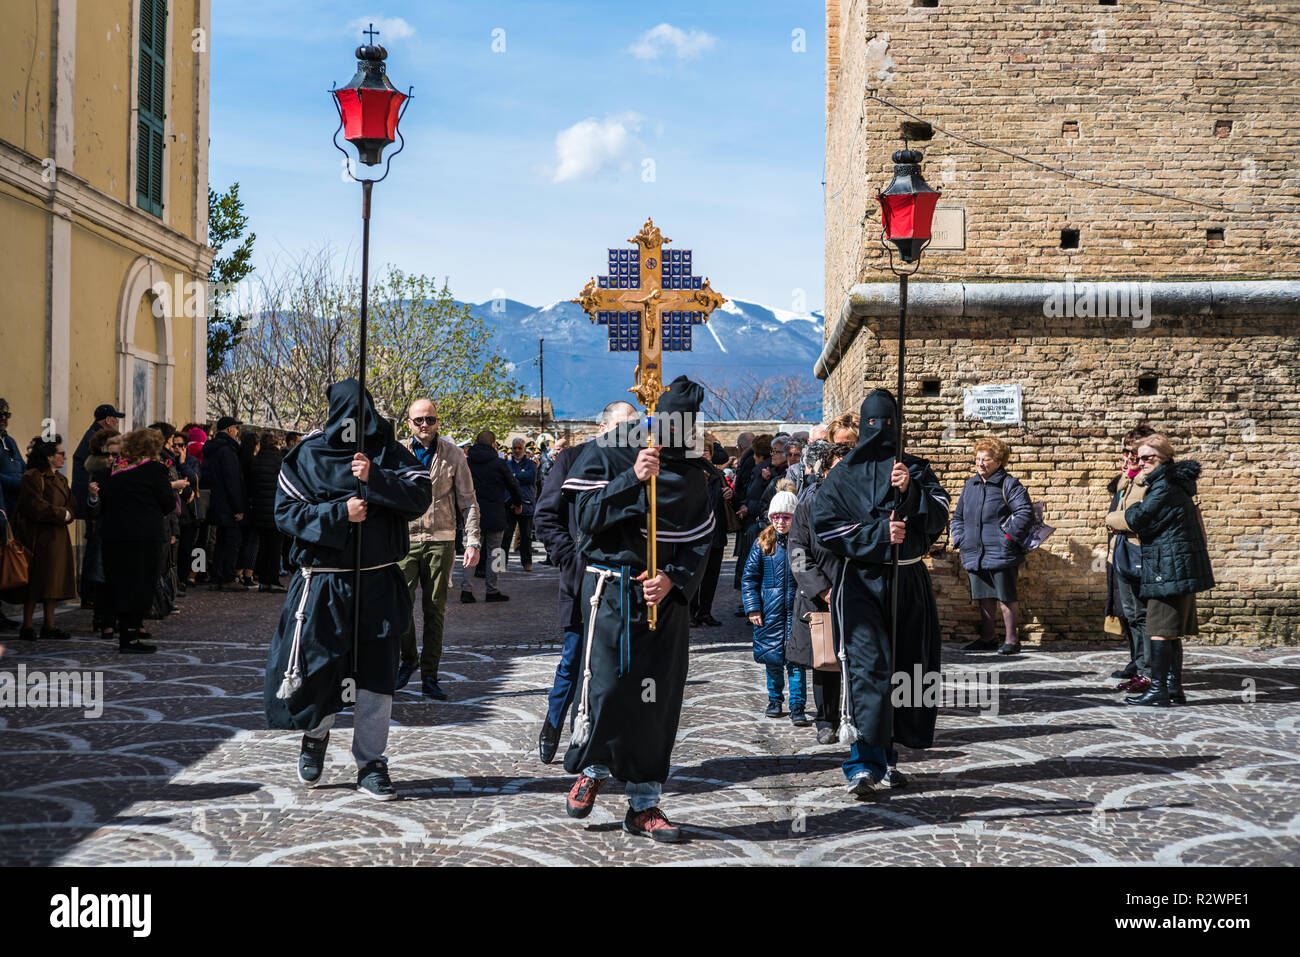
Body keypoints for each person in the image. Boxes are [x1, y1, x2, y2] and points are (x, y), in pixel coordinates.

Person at [561, 376, 714, 843]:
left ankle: (644, 803)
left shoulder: (693, 472)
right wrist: (633, 479)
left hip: (662, 602)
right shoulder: (609, 452)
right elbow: (585, 521)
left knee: (656, 700)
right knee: (608, 688)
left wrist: (673, 580)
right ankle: (593, 766)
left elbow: (702, 542)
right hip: (610, 591)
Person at [264, 379, 432, 799]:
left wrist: (375, 478)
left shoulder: (389, 453)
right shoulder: (307, 454)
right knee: (320, 669)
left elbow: (419, 495)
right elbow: (286, 514)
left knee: (376, 676)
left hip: (377, 580)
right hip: (323, 584)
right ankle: (315, 737)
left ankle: (371, 763)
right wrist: (340, 513)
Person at [812, 389, 949, 799]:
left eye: (888, 423)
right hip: (863, 586)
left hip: (909, 582)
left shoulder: (916, 469)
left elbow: (941, 515)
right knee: (868, 670)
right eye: (874, 423)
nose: (881, 431)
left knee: (908, 669)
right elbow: (826, 527)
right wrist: (877, 534)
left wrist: (910, 492)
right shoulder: (843, 475)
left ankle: (890, 758)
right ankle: (862, 763)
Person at [534, 400, 638, 763]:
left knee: (614, 667)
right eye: (622, 427)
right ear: (602, 429)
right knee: (574, 658)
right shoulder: (572, 459)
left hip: (625, 584)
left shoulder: (641, 462)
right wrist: (570, 559)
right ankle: (553, 722)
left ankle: (597, 743)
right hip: (582, 580)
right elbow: (546, 517)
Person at [1108, 433, 1214, 707]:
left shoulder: (1164, 485)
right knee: (1168, 631)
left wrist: (1116, 519)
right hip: (1173, 564)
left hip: (1168, 567)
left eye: (1147, 458)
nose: (1141, 462)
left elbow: (1139, 517)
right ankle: (1173, 688)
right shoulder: (1170, 482)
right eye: (1139, 457)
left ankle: (1158, 690)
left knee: (1158, 629)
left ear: (1164, 458)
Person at [398, 398, 482, 701]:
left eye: (430, 419)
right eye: (419, 420)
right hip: (404, 541)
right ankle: (408, 658)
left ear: (437, 422)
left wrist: (472, 540)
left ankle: (430, 676)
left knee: (434, 610)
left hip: (441, 539)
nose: (424, 425)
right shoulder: (397, 453)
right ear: (408, 423)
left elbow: (468, 500)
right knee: (400, 607)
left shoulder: (454, 455)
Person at [96, 428, 177, 653]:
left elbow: (105, 498)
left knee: (121, 583)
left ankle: (125, 635)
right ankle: (131, 634)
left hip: (114, 535)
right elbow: (168, 503)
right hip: (144, 536)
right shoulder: (155, 470)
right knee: (142, 583)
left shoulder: (117, 470)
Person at [950, 437, 1033, 655]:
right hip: (974, 550)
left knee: (1006, 597)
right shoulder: (971, 485)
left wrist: (1006, 537)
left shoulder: (1009, 484)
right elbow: (958, 517)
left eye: (985, 460)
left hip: (1001, 550)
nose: (980, 464)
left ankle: (1012, 640)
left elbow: (1025, 513)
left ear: (998, 461)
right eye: (977, 459)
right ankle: (987, 638)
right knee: (983, 597)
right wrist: (960, 538)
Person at [789, 439, 846, 743]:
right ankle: (826, 719)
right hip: (820, 596)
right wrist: (822, 589)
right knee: (825, 660)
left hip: (856, 592)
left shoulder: (860, 501)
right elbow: (797, 550)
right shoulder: (809, 503)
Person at [743, 489, 808, 725]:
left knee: (796, 662)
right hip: (769, 613)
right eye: (776, 517)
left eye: (786, 517)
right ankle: (774, 699)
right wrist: (753, 607)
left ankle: (798, 704)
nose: (780, 522)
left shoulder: (800, 545)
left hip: (796, 611)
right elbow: (750, 578)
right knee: (772, 660)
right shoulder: (763, 544)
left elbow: (805, 576)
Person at [1105, 425, 1155, 692]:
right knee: (1130, 614)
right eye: (1124, 450)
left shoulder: (1149, 481)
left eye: (1131, 452)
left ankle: (1149, 670)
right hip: (1121, 552)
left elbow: (1137, 517)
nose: (1126, 457)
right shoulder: (1126, 479)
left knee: (1142, 615)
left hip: (1139, 553)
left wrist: (1113, 521)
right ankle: (1137, 663)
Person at [15, 437, 77, 640]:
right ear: (49, 456)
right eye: (60, 453)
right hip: (38, 536)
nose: (64, 457)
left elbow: (70, 502)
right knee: (34, 582)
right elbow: (34, 505)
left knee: (54, 582)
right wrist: (60, 514)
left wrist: (67, 513)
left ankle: (50, 625)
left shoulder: (61, 479)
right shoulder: (33, 477)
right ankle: (28, 624)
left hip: (58, 537)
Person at [456, 430, 522, 603]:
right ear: (494, 444)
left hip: (472, 513)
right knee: (495, 552)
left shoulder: (467, 462)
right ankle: (492, 590)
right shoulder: (499, 463)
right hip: (495, 513)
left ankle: (466, 590)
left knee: (471, 550)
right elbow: (513, 485)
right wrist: (517, 503)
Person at [201, 416, 248, 591]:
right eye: (236, 428)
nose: (237, 432)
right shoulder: (227, 450)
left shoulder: (213, 448)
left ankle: (217, 576)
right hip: (228, 504)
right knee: (231, 541)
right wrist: (239, 507)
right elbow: (232, 480)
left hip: (217, 501)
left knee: (220, 541)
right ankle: (227, 576)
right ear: (229, 429)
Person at [690, 440, 732, 628]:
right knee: (693, 576)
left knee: (711, 576)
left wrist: (731, 494)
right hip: (693, 534)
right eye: (699, 450)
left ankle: (705, 612)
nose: (703, 453)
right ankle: (691, 613)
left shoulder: (718, 475)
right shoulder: (688, 474)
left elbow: (731, 501)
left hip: (716, 532)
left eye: (706, 450)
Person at [84, 430, 121, 637]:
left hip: (124, 532)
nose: (111, 459)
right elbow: (92, 510)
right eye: (108, 454)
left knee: (119, 579)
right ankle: (104, 620)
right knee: (102, 579)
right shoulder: (99, 475)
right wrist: (94, 498)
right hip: (104, 532)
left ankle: (114, 618)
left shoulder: (128, 474)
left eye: (115, 455)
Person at [248, 431, 287, 593]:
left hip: (258, 509)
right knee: (275, 547)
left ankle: (263, 580)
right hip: (275, 509)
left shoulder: (255, 460)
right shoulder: (280, 461)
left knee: (263, 546)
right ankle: (273, 579)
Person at [72, 403, 123, 519]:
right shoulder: (96, 439)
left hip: (90, 498)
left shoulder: (93, 435)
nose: (117, 422)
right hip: (91, 500)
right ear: (108, 420)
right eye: (115, 419)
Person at [503, 437, 539, 571]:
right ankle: (501, 563)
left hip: (526, 504)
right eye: (515, 448)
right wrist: (517, 477)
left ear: (524, 450)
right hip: (509, 504)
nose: (517, 451)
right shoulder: (507, 465)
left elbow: (530, 477)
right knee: (505, 536)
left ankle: (527, 563)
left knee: (526, 537)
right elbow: (505, 481)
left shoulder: (531, 464)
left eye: (520, 448)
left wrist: (514, 476)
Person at [235, 429, 261, 587]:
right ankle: (247, 574)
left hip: (240, 503)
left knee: (241, 540)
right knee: (252, 541)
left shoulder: (237, 459)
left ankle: (237, 573)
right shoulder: (253, 462)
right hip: (252, 504)